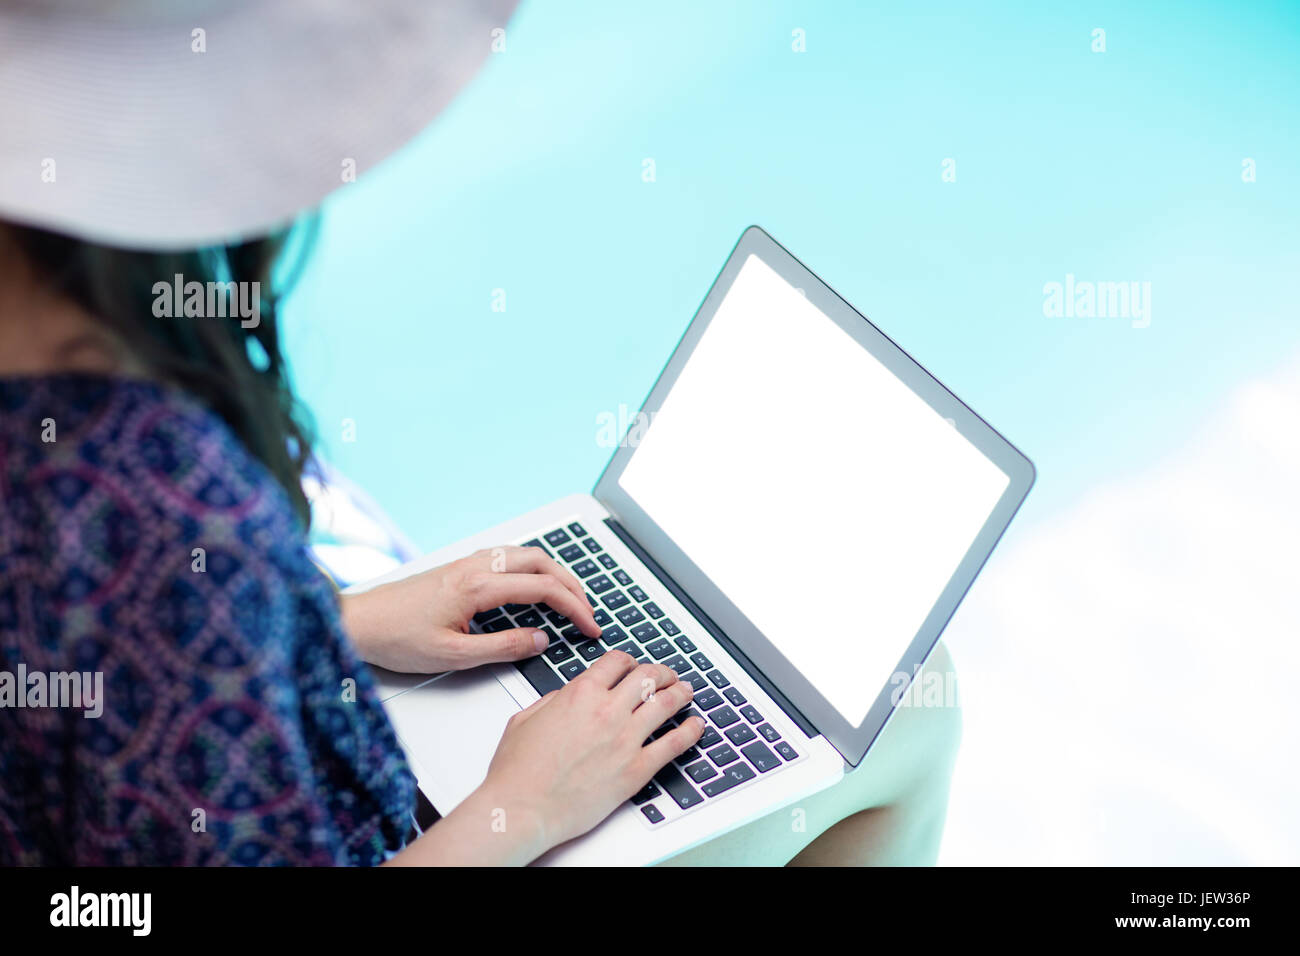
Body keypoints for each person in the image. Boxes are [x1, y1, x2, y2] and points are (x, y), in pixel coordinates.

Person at [0, 0, 961, 866]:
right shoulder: (161, 500)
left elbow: (116, 672)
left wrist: (332, 624)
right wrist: (523, 806)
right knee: (910, 709)